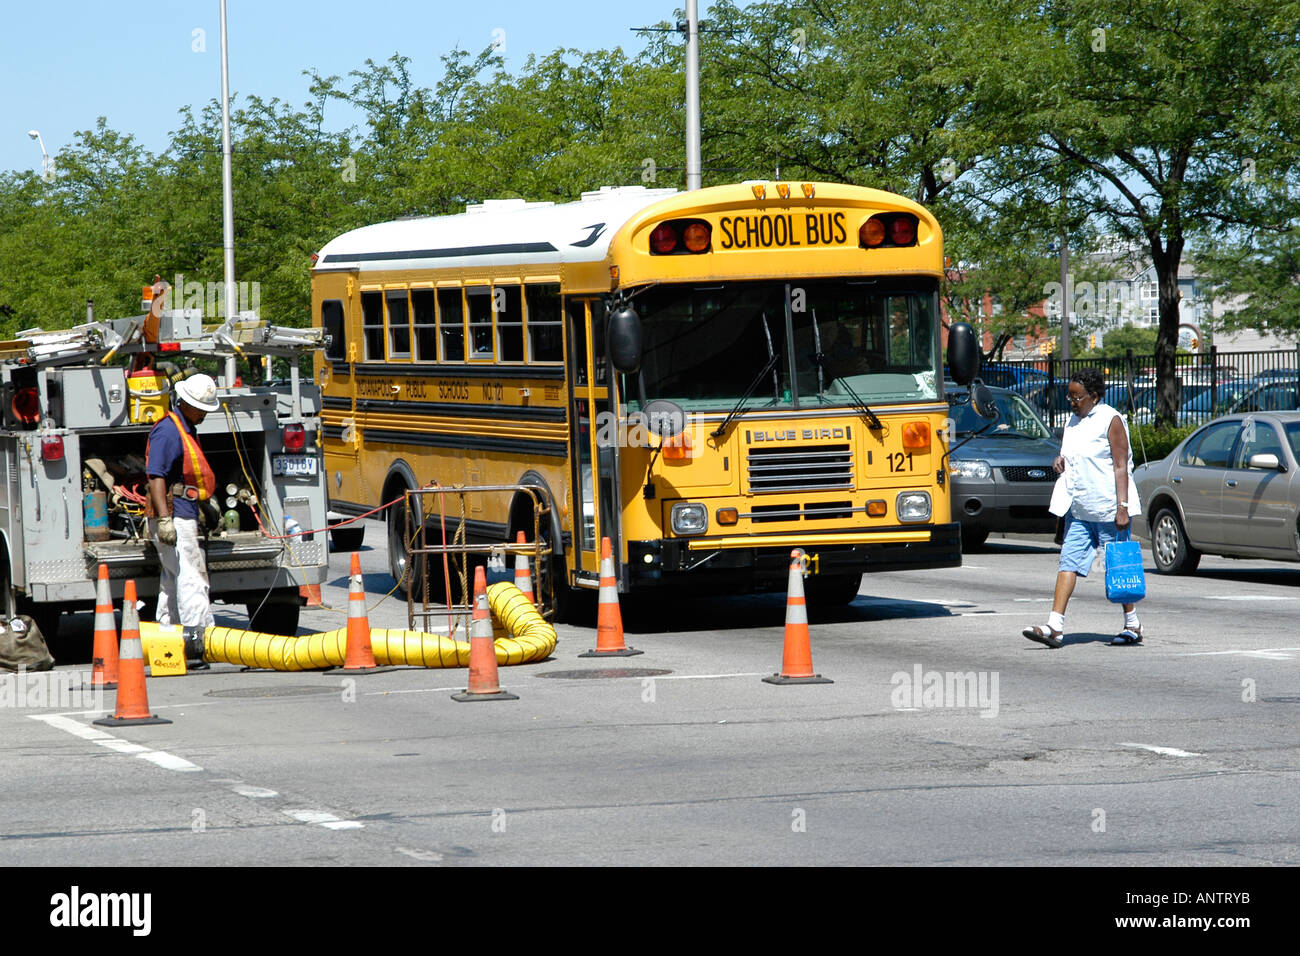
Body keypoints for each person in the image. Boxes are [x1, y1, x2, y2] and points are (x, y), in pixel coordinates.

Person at [1022, 367, 1144, 648]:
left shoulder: (1110, 419)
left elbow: (1121, 464)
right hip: (1079, 510)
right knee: (1068, 563)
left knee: (1117, 569)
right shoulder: (1072, 422)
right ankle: (1055, 626)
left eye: (1077, 398)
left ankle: (1133, 624)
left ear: (1094, 396)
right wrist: (1059, 460)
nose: (1072, 402)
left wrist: (1122, 507)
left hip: (1108, 509)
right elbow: (1070, 455)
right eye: (1070, 397)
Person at [147, 373, 220, 667]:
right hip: (175, 516)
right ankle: (198, 645)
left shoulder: (184, 426)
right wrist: (165, 520)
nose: (204, 413)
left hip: (181, 514)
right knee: (192, 580)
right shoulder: (168, 431)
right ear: (186, 404)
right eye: (201, 408)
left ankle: (168, 643)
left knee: (173, 580)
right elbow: (156, 477)